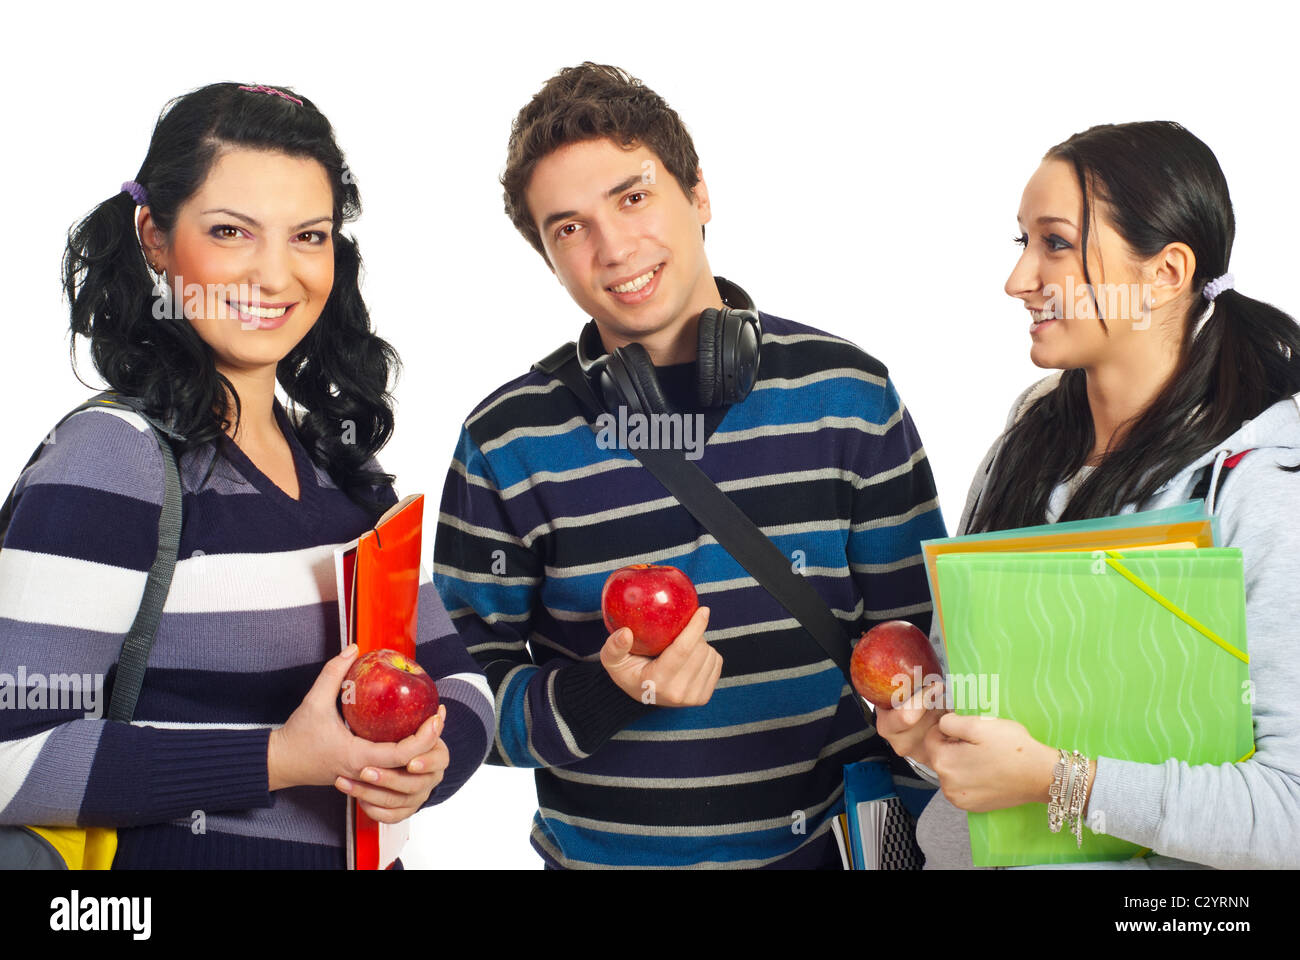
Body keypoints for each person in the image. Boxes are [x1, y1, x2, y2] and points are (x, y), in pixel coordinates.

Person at [433, 62, 947, 869]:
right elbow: (457, 702)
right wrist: (605, 691)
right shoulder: (506, 439)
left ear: (699, 193)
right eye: (568, 227)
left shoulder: (848, 394)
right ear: (548, 255)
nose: (614, 247)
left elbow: (925, 649)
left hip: (829, 851)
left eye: (632, 198)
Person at [0, 82, 493, 868]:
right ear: (154, 238)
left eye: (308, 236)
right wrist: (282, 759)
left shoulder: (342, 468)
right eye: (231, 231)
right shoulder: (114, 459)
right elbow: (9, 761)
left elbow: (459, 679)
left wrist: (432, 760)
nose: (275, 276)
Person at [878, 120, 1300, 869]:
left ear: (1165, 273)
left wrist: (1058, 780)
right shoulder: (1026, 444)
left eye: (1058, 243)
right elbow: (977, 744)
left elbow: (1288, 813)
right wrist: (928, 736)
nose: (1019, 280)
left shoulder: (1262, 484)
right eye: (1023, 243)